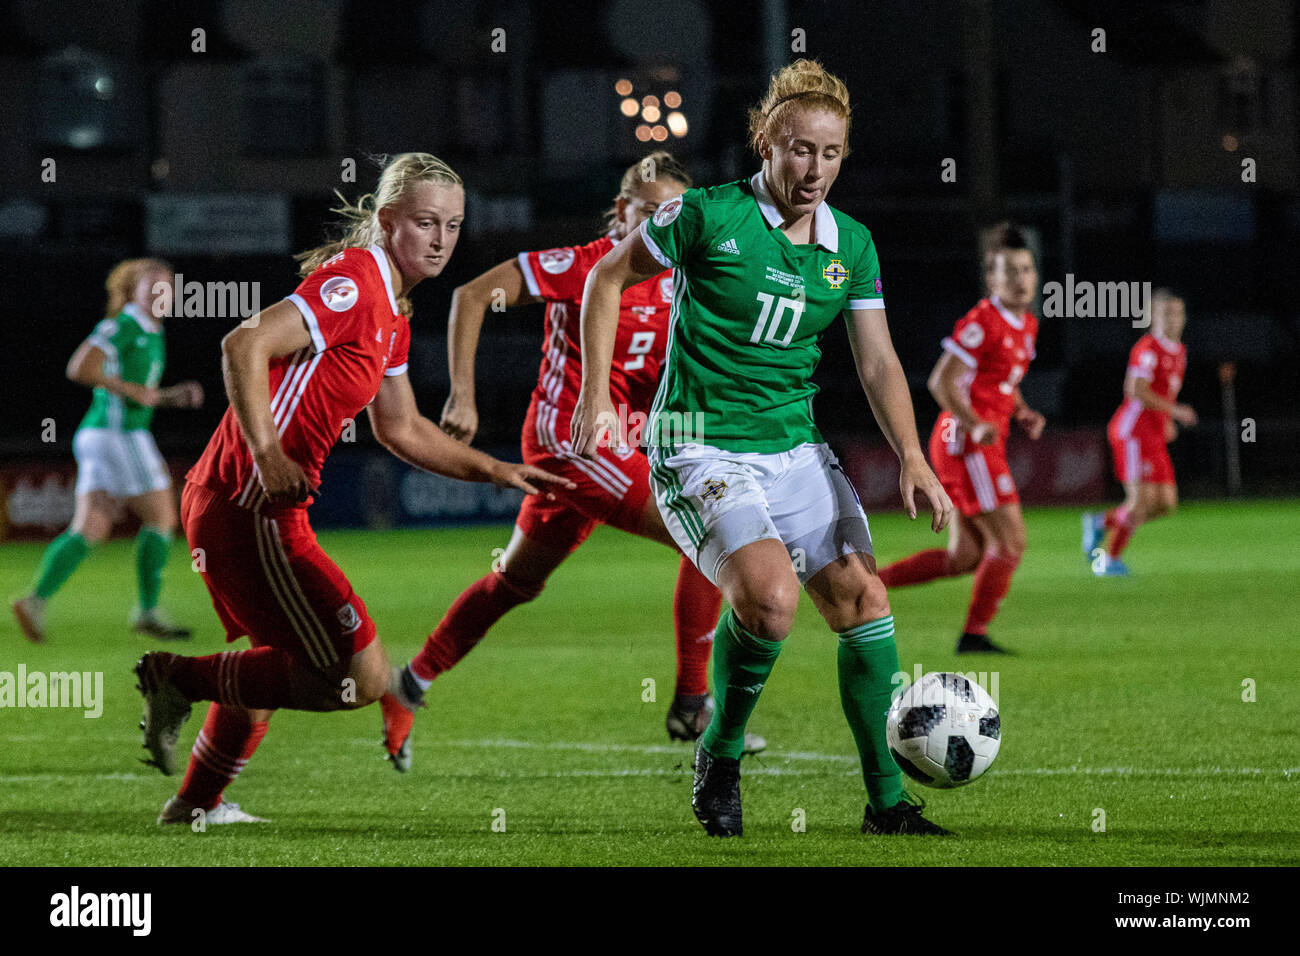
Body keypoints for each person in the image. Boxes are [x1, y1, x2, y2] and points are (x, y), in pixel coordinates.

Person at [571, 59, 955, 838]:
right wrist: (594, 395)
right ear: (764, 143)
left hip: (793, 447)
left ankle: (887, 804)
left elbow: (877, 361)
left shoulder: (852, 244)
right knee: (772, 602)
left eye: (830, 153)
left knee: (863, 601)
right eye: (799, 149)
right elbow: (605, 279)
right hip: (699, 446)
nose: (814, 169)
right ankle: (720, 749)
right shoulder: (706, 216)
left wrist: (913, 455)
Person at [132, 153, 571, 825]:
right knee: (356, 677)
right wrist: (267, 451)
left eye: (453, 225)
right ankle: (175, 677)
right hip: (251, 505)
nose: (441, 239)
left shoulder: (390, 307)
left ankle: (193, 807)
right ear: (387, 220)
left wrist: (495, 469)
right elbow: (242, 344)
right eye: (425, 222)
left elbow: (401, 428)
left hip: (250, 506)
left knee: (279, 660)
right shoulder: (357, 282)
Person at [380, 152, 764, 771]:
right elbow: (474, 296)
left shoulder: (684, 279)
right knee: (709, 533)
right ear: (621, 212)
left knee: (514, 583)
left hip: (614, 447)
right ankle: (695, 703)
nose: (662, 223)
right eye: (649, 211)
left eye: (673, 213)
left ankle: (411, 682)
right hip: (570, 441)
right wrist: (463, 393)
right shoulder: (584, 264)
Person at [12, 259, 203, 644]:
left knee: (91, 528)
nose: (161, 294)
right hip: (119, 435)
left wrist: (168, 397)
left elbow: (136, 390)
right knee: (163, 518)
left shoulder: (151, 329)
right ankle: (147, 611)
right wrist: (135, 392)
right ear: (132, 290)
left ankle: (34, 600)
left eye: (168, 287)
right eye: (153, 286)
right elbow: (80, 368)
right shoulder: (123, 324)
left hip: (103, 434)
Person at [877, 226, 1046, 654]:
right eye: (1010, 273)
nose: (1021, 279)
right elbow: (941, 381)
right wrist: (973, 422)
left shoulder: (1026, 323)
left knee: (965, 558)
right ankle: (974, 635)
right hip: (966, 445)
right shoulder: (981, 321)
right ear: (992, 280)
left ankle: (867, 585)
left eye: (1026, 270)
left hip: (975, 442)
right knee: (1010, 542)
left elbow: (1001, 380)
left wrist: (1021, 410)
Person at [1083, 289, 1194, 575]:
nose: (1173, 319)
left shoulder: (1179, 351)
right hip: (1132, 432)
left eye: (1178, 313)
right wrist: (1176, 410)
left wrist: (1166, 420)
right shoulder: (1147, 349)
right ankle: (1107, 560)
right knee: (1139, 502)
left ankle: (1099, 522)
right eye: (1166, 313)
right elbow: (1136, 390)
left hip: (1154, 434)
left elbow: (1163, 390)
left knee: (1166, 504)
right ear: (1152, 317)